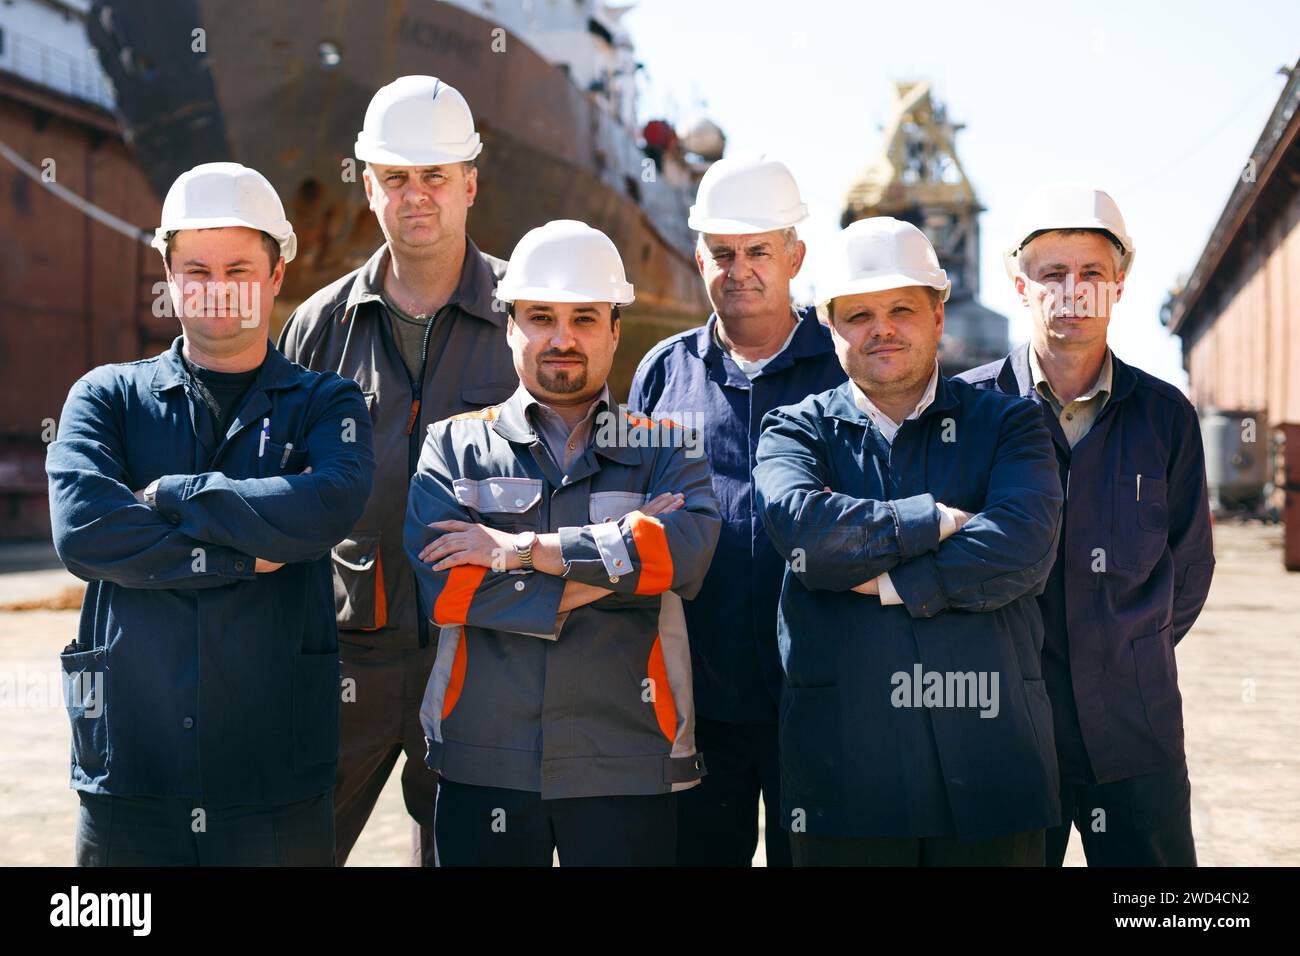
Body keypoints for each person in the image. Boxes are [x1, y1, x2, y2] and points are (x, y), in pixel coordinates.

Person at [47, 162, 374, 866]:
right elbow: (84, 531)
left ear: (277, 274)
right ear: (167, 273)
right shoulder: (106, 398)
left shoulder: (328, 403)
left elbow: (326, 510)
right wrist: (243, 553)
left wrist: (171, 496)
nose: (218, 291)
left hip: (274, 780)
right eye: (196, 270)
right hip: (131, 777)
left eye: (238, 270)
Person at [405, 220, 721, 866]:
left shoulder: (669, 447)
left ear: (614, 330)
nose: (562, 338)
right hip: (484, 758)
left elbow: (684, 557)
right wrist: (624, 565)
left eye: (584, 318)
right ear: (510, 327)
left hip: (628, 760)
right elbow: (451, 589)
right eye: (541, 316)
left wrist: (519, 552)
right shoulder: (452, 446)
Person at [753, 217, 1063, 866]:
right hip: (847, 783)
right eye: (858, 313)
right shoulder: (793, 433)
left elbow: (1025, 545)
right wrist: (934, 520)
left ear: (938, 314)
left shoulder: (1011, 424)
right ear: (829, 325)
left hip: (992, 773)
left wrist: (893, 583)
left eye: (902, 308)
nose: (882, 328)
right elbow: (805, 531)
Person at [277, 75, 518, 865]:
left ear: (470, 184)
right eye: (396, 179)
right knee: (294, 845)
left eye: (435, 178)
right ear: (369, 184)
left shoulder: (531, 314)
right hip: (348, 661)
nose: (416, 197)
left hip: (485, 655)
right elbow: (276, 492)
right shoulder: (320, 326)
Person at [959, 184, 1215, 866]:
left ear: (1120, 286)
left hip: (1135, 735)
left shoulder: (1164, 417)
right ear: (1021, 286)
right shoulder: (971, 413)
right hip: (1004, 735)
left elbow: (1188, 570)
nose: (1073, 292)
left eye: (1092, 274)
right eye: (1053, 275)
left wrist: (1125, 653)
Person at [628, 155, 845, 866]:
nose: (740, 269)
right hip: (700, 707)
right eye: (723, 253)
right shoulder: (664, 374)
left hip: (818, 703)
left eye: (759, 251)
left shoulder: (843, 369)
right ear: (699, 257)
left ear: (795, 257)